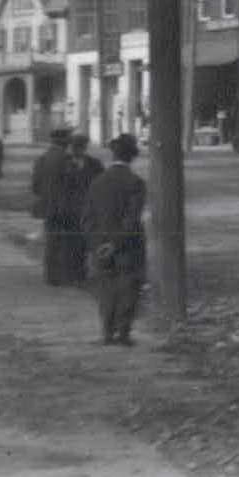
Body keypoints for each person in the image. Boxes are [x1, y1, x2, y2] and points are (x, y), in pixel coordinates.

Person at [83, 134, 147, 347]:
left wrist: (98, 244)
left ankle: (107, 333)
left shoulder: (97, 181)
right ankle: (123, 333)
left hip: (100, 244)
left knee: (106, 287)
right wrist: (116, 244)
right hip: (128, 245)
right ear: (132, 157)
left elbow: (88, 218)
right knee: (128, 286)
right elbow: (132, 219)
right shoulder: (135, 183)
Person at [61, 134, 105, 283]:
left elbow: (101, 185)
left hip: (89, 210)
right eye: (75, 147)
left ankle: (84, 274)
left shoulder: (95, 164)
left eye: (81, 146)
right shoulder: (63, 164)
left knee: (87, 242)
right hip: (69, 211)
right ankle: (73, 274)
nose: (77, 150)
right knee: (72, 243)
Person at [31, 128, 71, 281]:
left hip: (47, 205)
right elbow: (72, 184)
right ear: (63, 141)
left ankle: (50, 274)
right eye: (68, 139)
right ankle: (60, 275)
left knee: (51, 239)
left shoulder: (42, 158)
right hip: (65, 206)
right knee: (63, 241)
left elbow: (35, 186)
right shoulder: (66, 159)